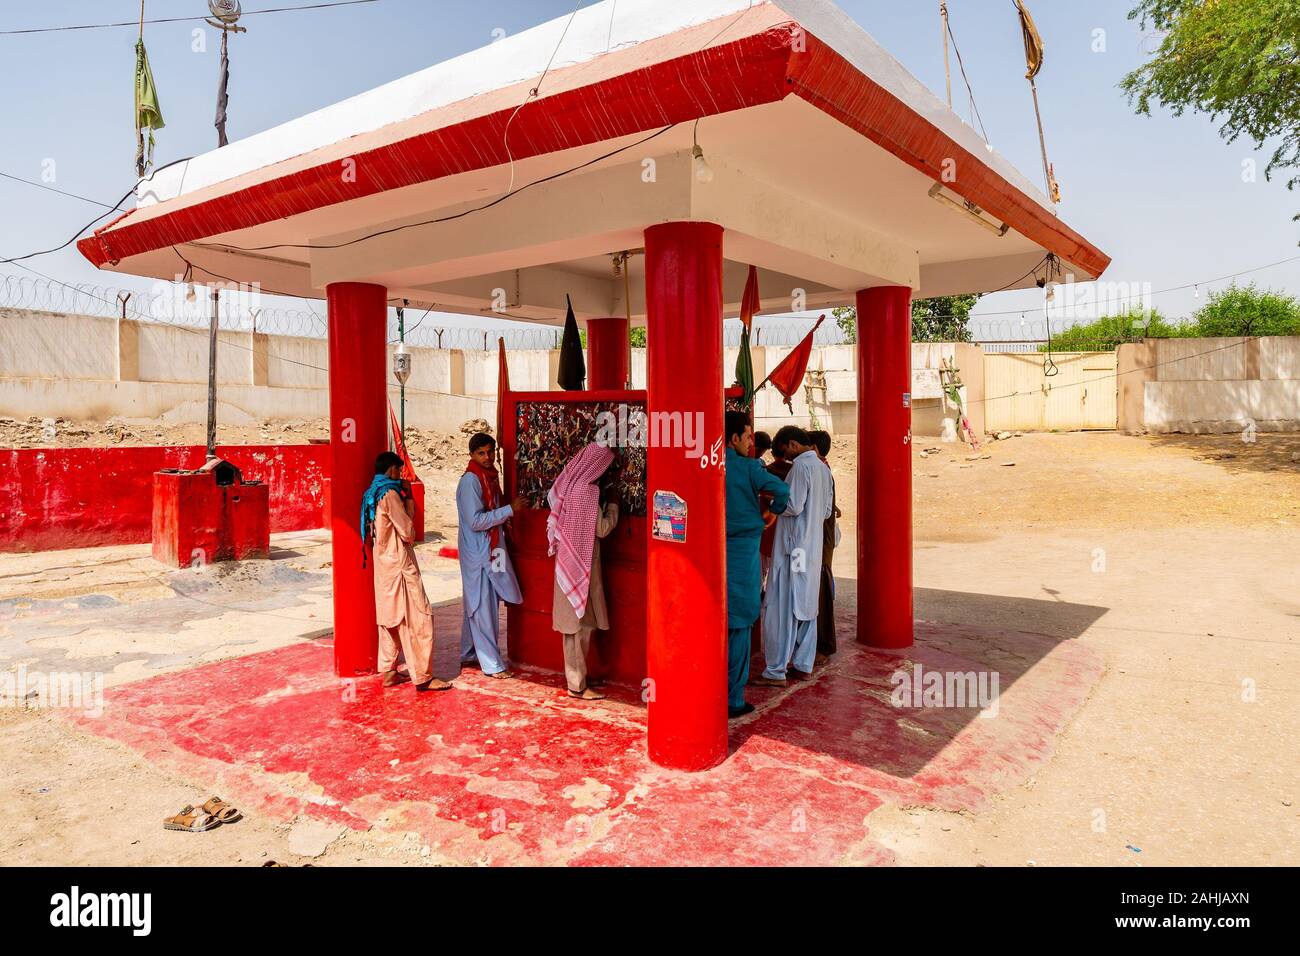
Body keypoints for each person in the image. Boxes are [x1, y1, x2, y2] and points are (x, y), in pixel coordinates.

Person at [362, 452, 451, 692]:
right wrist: (408, 497)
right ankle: (423, 676)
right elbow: (408, 531)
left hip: (383, 567)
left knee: (389, 620)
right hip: (400, 566)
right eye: (399, 470)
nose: (401, 475)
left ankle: (390, 670)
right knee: (418, 618)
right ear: (392, 470)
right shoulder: (390, 495)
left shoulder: (372, 493)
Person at [756, 426, 833, 687]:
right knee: (806, 605)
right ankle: (803, 662)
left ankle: (775, 670)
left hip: (793, 549)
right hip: (809, 549)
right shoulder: (823, 468)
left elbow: (793, 505)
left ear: (792, 444)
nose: (785, 457)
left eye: (785, 450)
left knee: (782, 606)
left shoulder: (800, 467)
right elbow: (824, 512)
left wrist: (772, 502)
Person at [724, 411, 789, 717]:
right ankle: (733, 700)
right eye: (748, 436)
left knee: (713, 626)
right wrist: (772, 512)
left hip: (708, 554)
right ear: (735, 438)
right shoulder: (750, 468)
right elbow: (782, 491)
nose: (751, 442)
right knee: (739, 626)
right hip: (742, 553)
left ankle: (707, 692)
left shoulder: (705, 464)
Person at [547, 443, 620, 700]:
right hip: (582, 567)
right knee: (578, 627)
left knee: (579, 625)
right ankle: (577, 685)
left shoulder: (569, 485)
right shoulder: (589, 492)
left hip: (568, 566)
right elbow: (601, 529)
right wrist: (613, 506)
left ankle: (579, 677)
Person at [456, 432, 526, 678]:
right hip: (479, 553)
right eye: (481, 453)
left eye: (490, 452)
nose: (487, 457)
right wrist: (510, 509)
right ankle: (491, 664)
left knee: (476, 606)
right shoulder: (471, 482)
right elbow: (475, 521)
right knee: (482, 607)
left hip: (490, 550)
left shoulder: (490, 478)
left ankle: (469, 653)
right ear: (472, 455)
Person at [808, 429, 840, 664]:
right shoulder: (822, 469)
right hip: (820, 538)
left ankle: (823, 645)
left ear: (814, 449)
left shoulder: (817, 470)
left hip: (820, 540)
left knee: (819, 591)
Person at [759, 427, 797, 589]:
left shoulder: (765, 471)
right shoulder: (795, 471)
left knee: (761, 569)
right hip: (788, 528)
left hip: (767, 524)